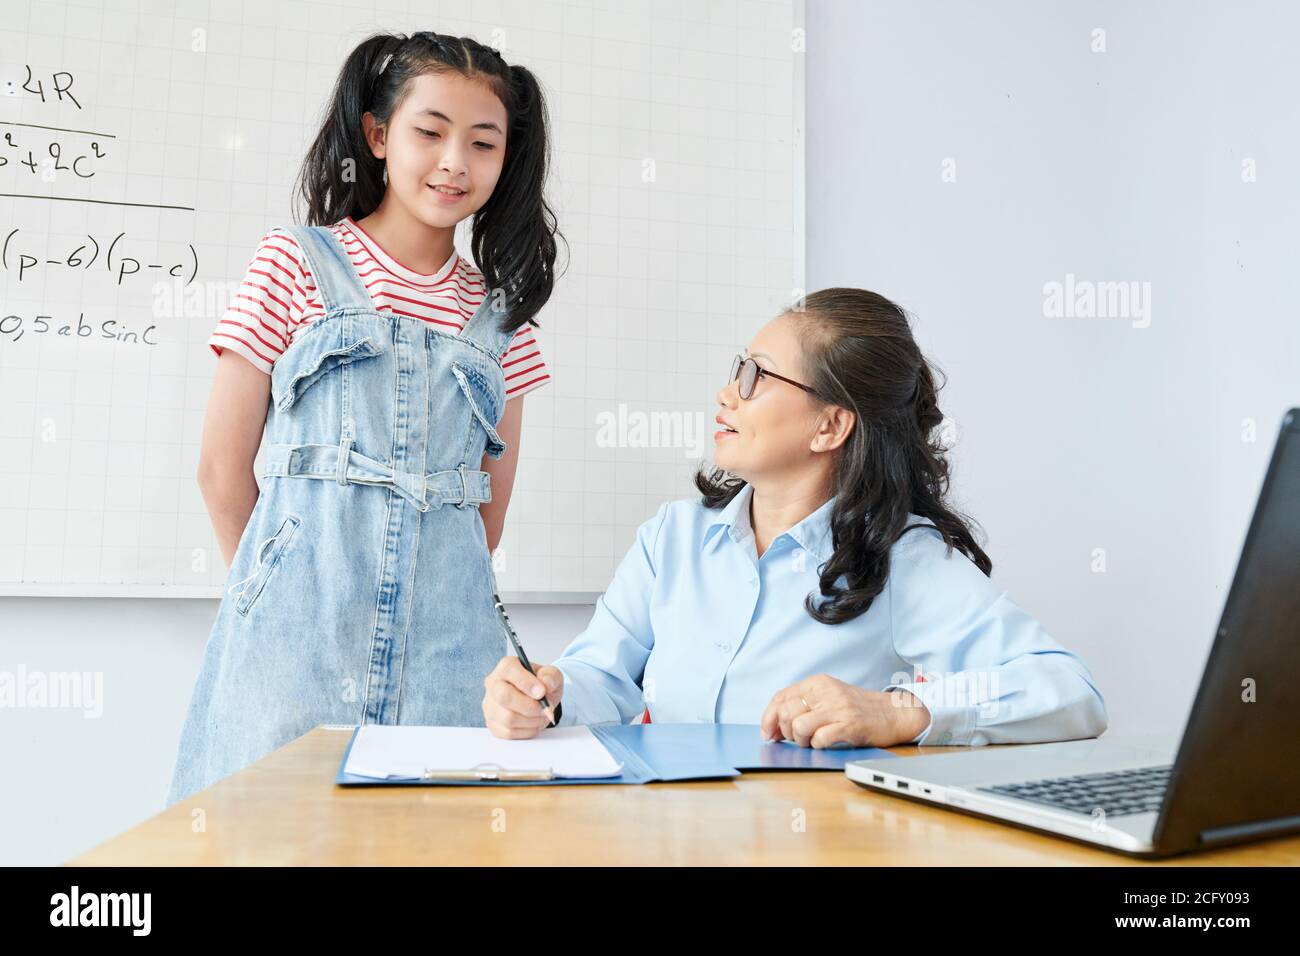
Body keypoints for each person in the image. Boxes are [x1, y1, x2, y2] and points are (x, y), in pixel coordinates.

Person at [167, 31, 563, 806]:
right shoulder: (294, 262)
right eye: (430, 132)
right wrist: (276, 593)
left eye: (483, 143)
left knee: (436, 843)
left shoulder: (503, 319)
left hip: (450, 645)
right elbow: (221, 470)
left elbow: (487, 515)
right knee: (268, 837)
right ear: (378, 137)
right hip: (295, 630)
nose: (454, 161)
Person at [482, 288, 1107, 749]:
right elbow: (603, 676)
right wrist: (551, 694)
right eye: (737, 369)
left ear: (830, 425)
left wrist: (901, 710)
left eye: (757, 377)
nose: (728, 393)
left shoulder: (900, 557)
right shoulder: (672, 539)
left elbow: (1069, 690)